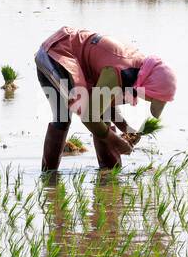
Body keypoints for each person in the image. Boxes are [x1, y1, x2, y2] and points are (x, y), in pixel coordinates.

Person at [35, 26, 177, 171]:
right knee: (65, 117)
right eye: (152, 98)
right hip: (57, 54)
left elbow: (106, 106)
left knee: (98, 117)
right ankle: (49, 179)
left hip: (64, 56)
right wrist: (115, 141)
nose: (148, 100)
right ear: (150, 85)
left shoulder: (140, 71)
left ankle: (109, 175)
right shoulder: (120, 71)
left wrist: (126, 129)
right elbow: (88, 116)